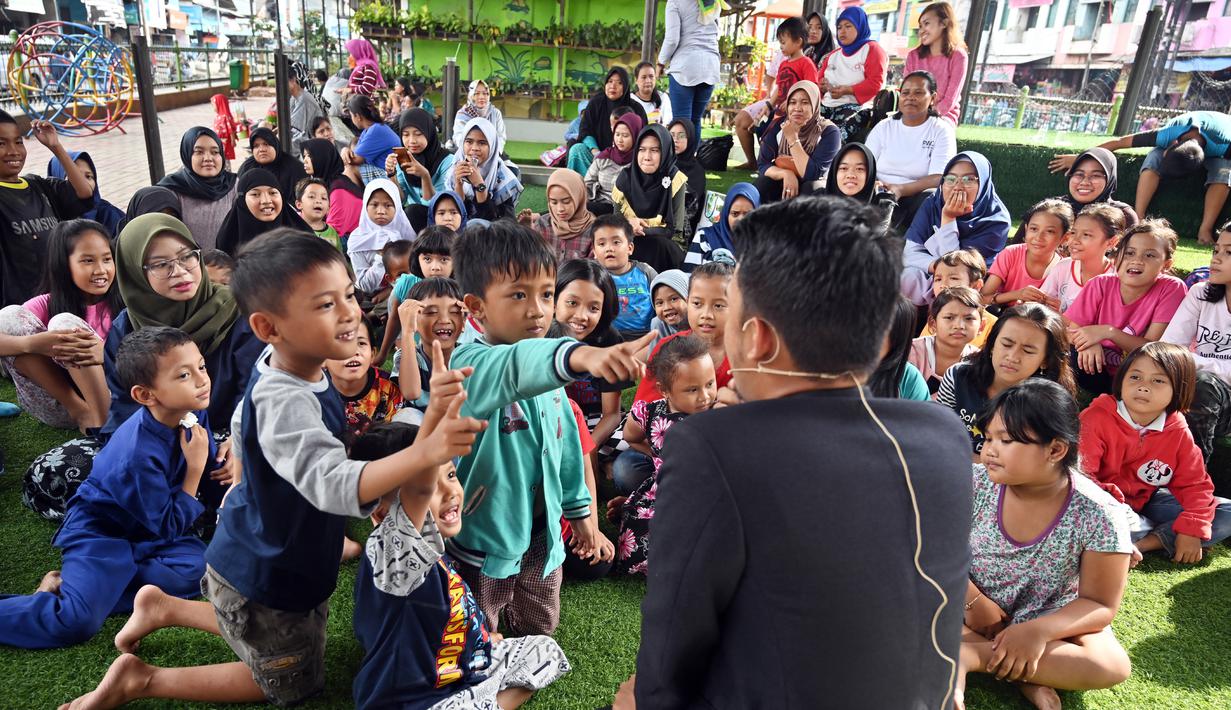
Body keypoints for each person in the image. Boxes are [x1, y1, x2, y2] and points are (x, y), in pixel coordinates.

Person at [58, 232, 484, 709]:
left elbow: (243, 416)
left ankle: (164, 607)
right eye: (325, 304)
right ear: (269, 327)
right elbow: (331, 482)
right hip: (270, 569)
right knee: (289, 678)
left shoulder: (292, 364)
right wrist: (426, 451)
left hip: (272, 551)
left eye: (347, 294)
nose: (349, 312)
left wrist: (242, 466)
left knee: (267, 629)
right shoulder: (286, 399)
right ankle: (144, 679)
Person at [619, 195, 970, 709]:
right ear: (879, 343)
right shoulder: (944, 436)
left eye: (730, 312)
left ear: (755, 339)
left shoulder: (711, 446)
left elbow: (675, 629)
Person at [447, 220, 652, 636]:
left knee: (541, 621)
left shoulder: (551, 380)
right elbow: (519, 364)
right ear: (476, 306)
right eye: (518, 295)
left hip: (543, 527)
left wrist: (582, 517)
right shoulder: (470, 364)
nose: (537, 310)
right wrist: (583, 357)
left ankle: (527, 649)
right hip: (487, 532)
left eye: (545, 294)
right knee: (477, 624)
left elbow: (568, 454)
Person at [0, 327, 215, 649]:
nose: (202, 380)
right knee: (74, 622)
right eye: (184, 375)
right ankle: (74, 596)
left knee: (198, 569)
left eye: (202, 367)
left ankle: (77, 587)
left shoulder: (191, 409)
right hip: (102, 534)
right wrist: (195, 469)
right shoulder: (136, 455)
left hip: (145, 533)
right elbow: (169, 525)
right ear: (145, 395)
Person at [350, 422, 570, 710]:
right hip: (414, 700)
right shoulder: (393, 561)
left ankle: (487, 701)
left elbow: (454, 614)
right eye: (425, 487)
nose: (450, 491)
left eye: (450, 475)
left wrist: (481, 639)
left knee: (544, 650)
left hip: (463, 668)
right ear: (381, 514)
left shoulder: (438, 551)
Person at [959, 380, 1133, 710]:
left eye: (1006, 440)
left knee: (1111, 664)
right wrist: (972, 599)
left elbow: (1098, 604)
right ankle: (1026, 674)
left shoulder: (1099, 513)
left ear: (1055, 450)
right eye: (989, 438)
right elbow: (929, 551)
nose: (988, 450)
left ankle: (969, 656)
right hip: (963, 603)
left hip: (1048, 613)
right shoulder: (972, 481)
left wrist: (1037, 632)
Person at [1081, 341, 1231, 565]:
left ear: (1179, 389)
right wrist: (1116, 506)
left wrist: (1192, 527)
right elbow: (1080, 478)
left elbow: (1195, 484)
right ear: (1121, 381)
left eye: (1158, 380)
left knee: (1226, 514)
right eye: (1135, 377)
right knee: (1086, 517)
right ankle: (1126, 537)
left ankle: (1140, 545)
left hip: (1146, 502)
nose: (1143, 387)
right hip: (1100, 504)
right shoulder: (1096, 417)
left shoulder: (1177, 428)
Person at [0, 219, 120, 430]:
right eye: (88, 261)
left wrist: (105, 352)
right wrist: (34, 343)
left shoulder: (124, 301)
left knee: (64, 323)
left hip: (116, 399)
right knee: (9, 316)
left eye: (107, 259)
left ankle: (102, 422)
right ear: (64, 265)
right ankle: (81, 411)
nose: (101, 269)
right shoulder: (46, 303)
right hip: (63, 406)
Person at [614, 334, 716, 576]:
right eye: (692, 389)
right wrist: (657, 456)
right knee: (640, 530)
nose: (704, 396)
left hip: (709, 494)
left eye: (710, 384)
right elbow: (631, 436)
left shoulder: (718, 414)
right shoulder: (650, 412)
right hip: (665, 492)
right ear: (665, 390)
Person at [1049, 111, 1231, 244]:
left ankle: (1205, 229)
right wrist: (1080, 158)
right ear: (1171, 145)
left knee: (1224, 171)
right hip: (1187, 137)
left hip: (1219, 144)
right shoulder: (1166, 134)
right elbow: (1119, 142)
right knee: (1152, 158)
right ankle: (1140, 215)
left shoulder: (1224, 145)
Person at [937, 303, 1075, 456]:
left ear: (1045, 361)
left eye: (1028, 350)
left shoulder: (1051, 405)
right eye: (1006, 344)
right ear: (992, 345)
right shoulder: (957, 377)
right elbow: (938, 434)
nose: (1012, 357)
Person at [1067, 219, 1187, 394]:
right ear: (1116, 259)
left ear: (1166, 265)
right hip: (1096, 367)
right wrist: (1087, 343)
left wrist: (1108, 332)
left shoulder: (1171, 288)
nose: (1137, 260)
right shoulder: (1100, 284)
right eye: (1130, 253)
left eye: (1150, 255)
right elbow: (1072, 332)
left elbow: (1151, 349)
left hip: (1140, 374)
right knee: (1067, 352)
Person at [0, 115, 94, 307]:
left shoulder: (39, 186)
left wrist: (55, 147)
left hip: (59, 298)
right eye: (1, 144)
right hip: (19, 306)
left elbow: (83, 192)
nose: (13, 151)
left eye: (18, 142)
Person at [901, 152, 1012, 307]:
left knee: (953, 283)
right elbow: (910, 253)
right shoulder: (933, 203)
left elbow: (960, 269)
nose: (958, 187)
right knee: (907, 277)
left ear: (983, 184)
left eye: (968, 179)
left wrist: (948, 219)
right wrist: (937, 267)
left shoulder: (996, 220)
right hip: (931, 273)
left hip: (967, 286)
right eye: (951, 179)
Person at [1163, 222, 1231, 461]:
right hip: (1197, 385)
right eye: (1216, 250)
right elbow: (1169, 349)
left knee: (1202, 384)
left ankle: (1193, 476)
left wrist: (1193, 362)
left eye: (1229, 252)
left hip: (1219, 398)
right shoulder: (1201, 293)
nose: (1216, 258)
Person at [551, 259, 626, 462]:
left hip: (597, 421)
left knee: (627, 442)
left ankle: (603, 462)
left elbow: (612, 414)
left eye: (593, 308)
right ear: (554, 299)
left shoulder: (609, 339)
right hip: (556, 420)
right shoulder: (543, 337)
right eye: (572, 303)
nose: (581, 316)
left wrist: (589, 446)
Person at [864, 70, 956, 230]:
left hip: (916, 195)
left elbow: (939, 177)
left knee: (932, 196)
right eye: (905, 92)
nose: (910, 97)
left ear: (933, 98)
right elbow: (864, 163)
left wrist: (900, 189)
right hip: (878, 189)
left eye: (919, 93)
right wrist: (875, 185)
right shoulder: (884, 126)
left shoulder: (941, 130)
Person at [734, 18, 818, 171]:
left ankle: (774, 167)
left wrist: (793, 102)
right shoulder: (784, 63)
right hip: (779, 112)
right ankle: (764, 168)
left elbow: (812, 89)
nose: (781, 46)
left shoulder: (806, 64)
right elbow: (779, 90)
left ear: (798, 42)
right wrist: (767, 106)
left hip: (796, 116)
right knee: (767, 137)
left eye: (784, 42)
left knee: (778, 139)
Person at [612, 124, 690, 266]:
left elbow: (675, 230)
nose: (647, 157)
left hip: (665, 245)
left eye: (654, 150)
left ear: (666, 152)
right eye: (642, 150)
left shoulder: (675, 178)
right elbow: (615, 220)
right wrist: (628, 224)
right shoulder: (625, 177)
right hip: (629, 239)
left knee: (658, 244)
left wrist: (640, 228)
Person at [755, 81, 841, 204]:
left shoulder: (829, 132)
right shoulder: (778, 126)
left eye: (805, 102)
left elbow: (812, 174)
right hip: (785, 182)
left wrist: (792, 138)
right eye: (792, 102)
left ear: (815, 104)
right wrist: (785, 173)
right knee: (763, 183)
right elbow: (763, 164)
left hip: (817, 186)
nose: (797, 108)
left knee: (811, 188)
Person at [157, 127, 239, 252]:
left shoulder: (233, 184)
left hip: (226, 264)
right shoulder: (173, 188)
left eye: (215, 152)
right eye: (199, 152)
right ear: (187, 155)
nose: (208, 158)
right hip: (190, 264)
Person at [391, 276, 466, 411]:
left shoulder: (470, 355)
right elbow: (411, 393)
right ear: (414, 320)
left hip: (462, 424)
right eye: (431, 312)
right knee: (408, 414)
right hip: (422, 427)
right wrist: (407, 332)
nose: (444, 319)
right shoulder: (407, 356)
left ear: (464, 322)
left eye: (454, 312)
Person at [982, 198, 1071, 308]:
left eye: (1050, 231)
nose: (1039, 237)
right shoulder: (1011, 254)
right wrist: (1017, 294)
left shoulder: (1064, 269)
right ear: (1026, 228)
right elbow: (983, 298)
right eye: (1034, 229)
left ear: (1065, 238)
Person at [658, 0, 720, 154]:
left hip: (685, 67)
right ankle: (692, 164)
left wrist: (660, 62)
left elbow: (672, 39)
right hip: (710, 67)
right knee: (695, 120)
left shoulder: (675, 2)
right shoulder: (714, 1)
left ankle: (679, 167)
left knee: (681, 122)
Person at [817, 6, 888, 142]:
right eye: (839, 27)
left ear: (860, 26)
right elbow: (819, 80)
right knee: (802, 126)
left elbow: (876, 83)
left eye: (848, 26)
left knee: (835, 137)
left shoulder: (873, 50)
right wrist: (822, 85)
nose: (842, 31)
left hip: (856, 107)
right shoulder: (833, 55)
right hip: (827, 104)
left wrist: (847, 90)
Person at [326, 316, 402, 441]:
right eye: (342, 342)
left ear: (372, 354)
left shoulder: (389, 390)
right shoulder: (313, 393)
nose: (353, 351)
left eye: (361, 343)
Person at [1040, 203, 1124, 314]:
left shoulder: (1118, 277)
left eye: (1086, 235)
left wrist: (1065, 315)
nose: (1075, 240)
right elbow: (1041, 304)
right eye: (1073, 232)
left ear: (1112, 242)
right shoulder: (1063, 268)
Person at [567, 67, 649, 176]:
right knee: (577, 149)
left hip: (626, 160)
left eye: (619, 83)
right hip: (597, 155)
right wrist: (595, 151)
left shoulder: (636, 108)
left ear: (625, 86)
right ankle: (580, 188)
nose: (613, 86)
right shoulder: (596, 103)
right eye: (610, 81)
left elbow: (643, 138)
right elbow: (585, 130)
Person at [386, 108, 455, 232]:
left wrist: (424, 175)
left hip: (441, 217)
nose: (412, 141)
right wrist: (392, 175)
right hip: (412, 217)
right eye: (406, 134)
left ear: (428, 132)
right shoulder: (403, 157)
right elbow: (401, 199)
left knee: (413, 211)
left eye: (418, 134)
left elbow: (434, 203)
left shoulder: (447, 161)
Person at [215, 168, 312, 256]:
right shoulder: (227, 242)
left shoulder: (303, 239)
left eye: (273, 193)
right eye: (255, 194)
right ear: (242, 201)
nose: (266, 200)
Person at [593, 214, 659, 340]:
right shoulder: (594, 277)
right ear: (595, 252)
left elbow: (662, 299)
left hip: (647, 336)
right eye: (602, 244)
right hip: (608, 337)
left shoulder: (645, 272)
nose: (609, 248)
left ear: (630, 248)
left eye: (616, 242)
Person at [445, 117, 523, 222]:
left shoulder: (503, 177)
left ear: (492, 146)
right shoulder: (454, 170)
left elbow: (504, 223)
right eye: (469, 141)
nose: (475, 148)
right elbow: (454, 216)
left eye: (482, 143)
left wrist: (479, 184)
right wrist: (458, 185)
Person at [1043, 147, 1138, 231]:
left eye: (1096, 175)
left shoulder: (1124, 216)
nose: (1085, 182)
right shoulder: (1052, 208)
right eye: (1079, 174)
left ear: (1110, 179)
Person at [348, 178, 417, 294]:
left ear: (397, 207)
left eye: (388, 205)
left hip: (405, 292)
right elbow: (364, 285)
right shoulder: (358, 239)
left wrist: (391, 291)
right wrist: (381, 257)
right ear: (365, 206)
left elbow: (417, 274)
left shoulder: (405, 233)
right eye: (374, 205)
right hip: (370, 298)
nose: (381, 211)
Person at [904, 2, 968, 124]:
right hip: (913, 113)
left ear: (944, 23)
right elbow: (906, 91)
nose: (921, 31)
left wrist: (928, 116)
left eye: (926, 24)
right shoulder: (913, 56)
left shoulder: (959, 56)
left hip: (944, 117)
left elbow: (950, 99)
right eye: (920, 26)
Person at [910, 286, 982, 395]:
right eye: (949, 317)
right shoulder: (911, 352)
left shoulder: (980, 361)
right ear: (933, 323)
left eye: (969, 318)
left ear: (981, 326)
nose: (959, 326)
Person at [921, 248, 998, 347]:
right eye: (938, 279)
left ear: (976, 286)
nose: (943, 285)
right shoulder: (936, 317)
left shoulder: (992, 324)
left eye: (953, 278)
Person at [46, 150, 125, 238]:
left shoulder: (109, 215)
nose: (84, 183)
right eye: (74, 177)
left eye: (88, 176)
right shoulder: (44, 220)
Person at [523, 169, 596, 262]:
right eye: (553, 202)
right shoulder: (542, 224)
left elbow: (594, 270)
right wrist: (525, 235)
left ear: (579, 197)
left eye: (566, 202)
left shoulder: (594, 230)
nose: (560, 209)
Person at [684, 182, 759, 271]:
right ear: (726, 214)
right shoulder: (705, 238)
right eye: (735, 214)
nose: (741, 220)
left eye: (748, 214)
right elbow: (687, 276)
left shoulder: (765, 243)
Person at [869, 295, 931, 401]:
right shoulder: (838, 368)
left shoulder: (908, 377)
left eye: (879, 331)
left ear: (898, 337)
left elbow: (925, 416)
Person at [301, 137, 365, 238]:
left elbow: (331, 234)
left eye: (309, 155)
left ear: (322, 157)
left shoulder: (338, 190)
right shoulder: (329, 183)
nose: (305, 160)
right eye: (304, 156)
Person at [823, 142, 897, 228]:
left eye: (859, 169)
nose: (850, 175)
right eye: (843, 168)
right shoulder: (818, 201)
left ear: (870, 174)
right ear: (834, 171)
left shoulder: (881, 207)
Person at [584, 112, 642, 210]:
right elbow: (587, 183)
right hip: (598, 202)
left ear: (635, 136)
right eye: (617, 134)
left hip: (623, 209)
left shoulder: (640, 162)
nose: (620, 139)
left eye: (625, 135)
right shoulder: (604, 157)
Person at [236, 127, 308, 207]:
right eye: (256, 146)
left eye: (266, 144)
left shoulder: (294, 167)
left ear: (275, 145)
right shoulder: (247, 167)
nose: (261, 149)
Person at [667, 119, 706, 234]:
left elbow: (690, 208)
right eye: (672, 135)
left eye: (681, 136)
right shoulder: (660, 162)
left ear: (691, 139)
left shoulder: (696, 170)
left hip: (681, 227)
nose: (675, 140)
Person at [347, 95, 401, 172]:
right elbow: (354, 153)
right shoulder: (368, 130)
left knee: (351, 169)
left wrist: (344, 151)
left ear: (358, 116)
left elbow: (355, 160)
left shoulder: (375, 130)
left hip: (393, 176)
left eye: (351, 116)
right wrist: (346, 150)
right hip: (385, 171)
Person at [450, 79, 507, 151]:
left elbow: (501, 136)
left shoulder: (495, 113)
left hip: (493, 153)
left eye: (485, 93)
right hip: (469, 154)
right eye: (477, 93)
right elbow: (459, 137)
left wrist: (492, 152)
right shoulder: (463, 114)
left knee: (507, 162)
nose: (481, 97)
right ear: (471, 95)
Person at [287, 60, 326, 152]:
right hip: (304, 138)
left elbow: (293, 129)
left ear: (293, 80)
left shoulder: (304, 99)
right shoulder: (294, 98)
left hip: (312, 143)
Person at [294, 176, 342, 250]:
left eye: (324, 198)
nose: (318, 201)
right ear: (299, 204)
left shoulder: (332, 232)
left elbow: (338, 258)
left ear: (328, 208)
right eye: (312, 196)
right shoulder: (292, 229)